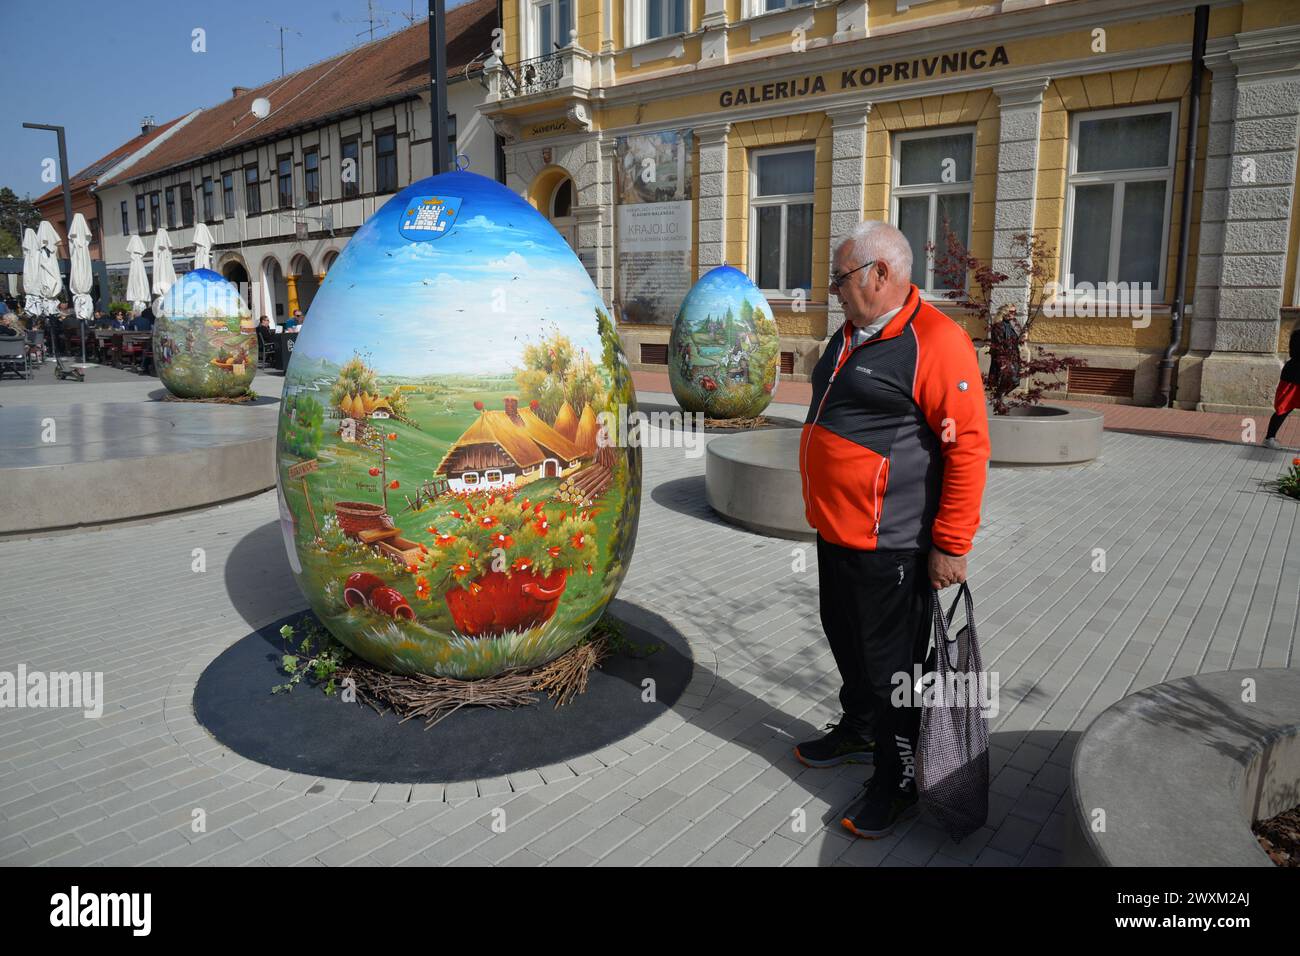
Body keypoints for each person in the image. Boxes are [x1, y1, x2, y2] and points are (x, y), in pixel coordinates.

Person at [796, 221, 991, 839]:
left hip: (894, 545)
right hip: (837, 532)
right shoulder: (852, 334)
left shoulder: (936, 341)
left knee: (891, 672)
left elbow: (970, 447)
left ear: (881, 274)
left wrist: (952, 544)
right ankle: (858, 729)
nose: (832, 290)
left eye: (840, 278)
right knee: (845, 640)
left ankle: (898, 776)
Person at [1264, 328, 1300, 449]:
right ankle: (1269, 438)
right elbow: (1295, 353)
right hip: (1293, 376)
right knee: (1283, 408)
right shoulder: (1298, 334)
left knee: (1283, 409)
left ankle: (1269, 438)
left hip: (1293, 373)